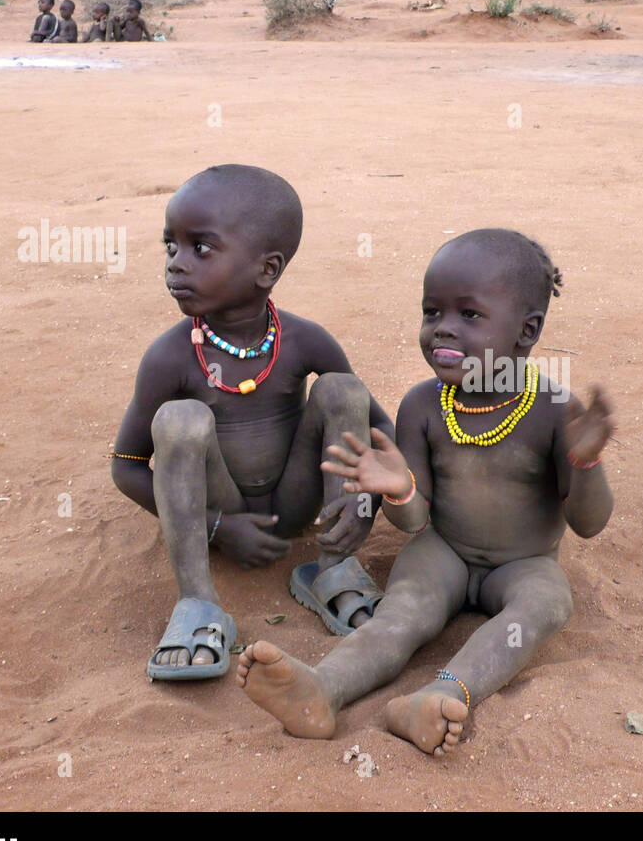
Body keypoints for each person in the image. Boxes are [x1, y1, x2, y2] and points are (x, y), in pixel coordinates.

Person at [238, 229, 616, 756]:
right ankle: (324, 689)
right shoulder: (422, 405)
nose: (444, 329)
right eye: (432, 312)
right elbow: (414, 522)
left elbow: (589, 524)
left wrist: (585, 462)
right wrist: (400, 490)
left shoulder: (554, 408)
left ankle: (441, 692)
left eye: (470, 315)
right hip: (444, 550)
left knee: (547, 604)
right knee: (401, 616)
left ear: (527, 331)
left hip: (524, 562)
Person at [111, 165, 394, 680]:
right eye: (169, 246)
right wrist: (219, 527)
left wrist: (363, 498)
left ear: (267, 270)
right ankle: (197, 601)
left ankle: (332, 569)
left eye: (201, 248)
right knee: (179, 419)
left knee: (342, 389)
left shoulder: (306, 341)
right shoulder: (169, 358)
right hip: (220, 514)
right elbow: (127, 465)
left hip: (298, 503)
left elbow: (380, 434)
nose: (176, 264)